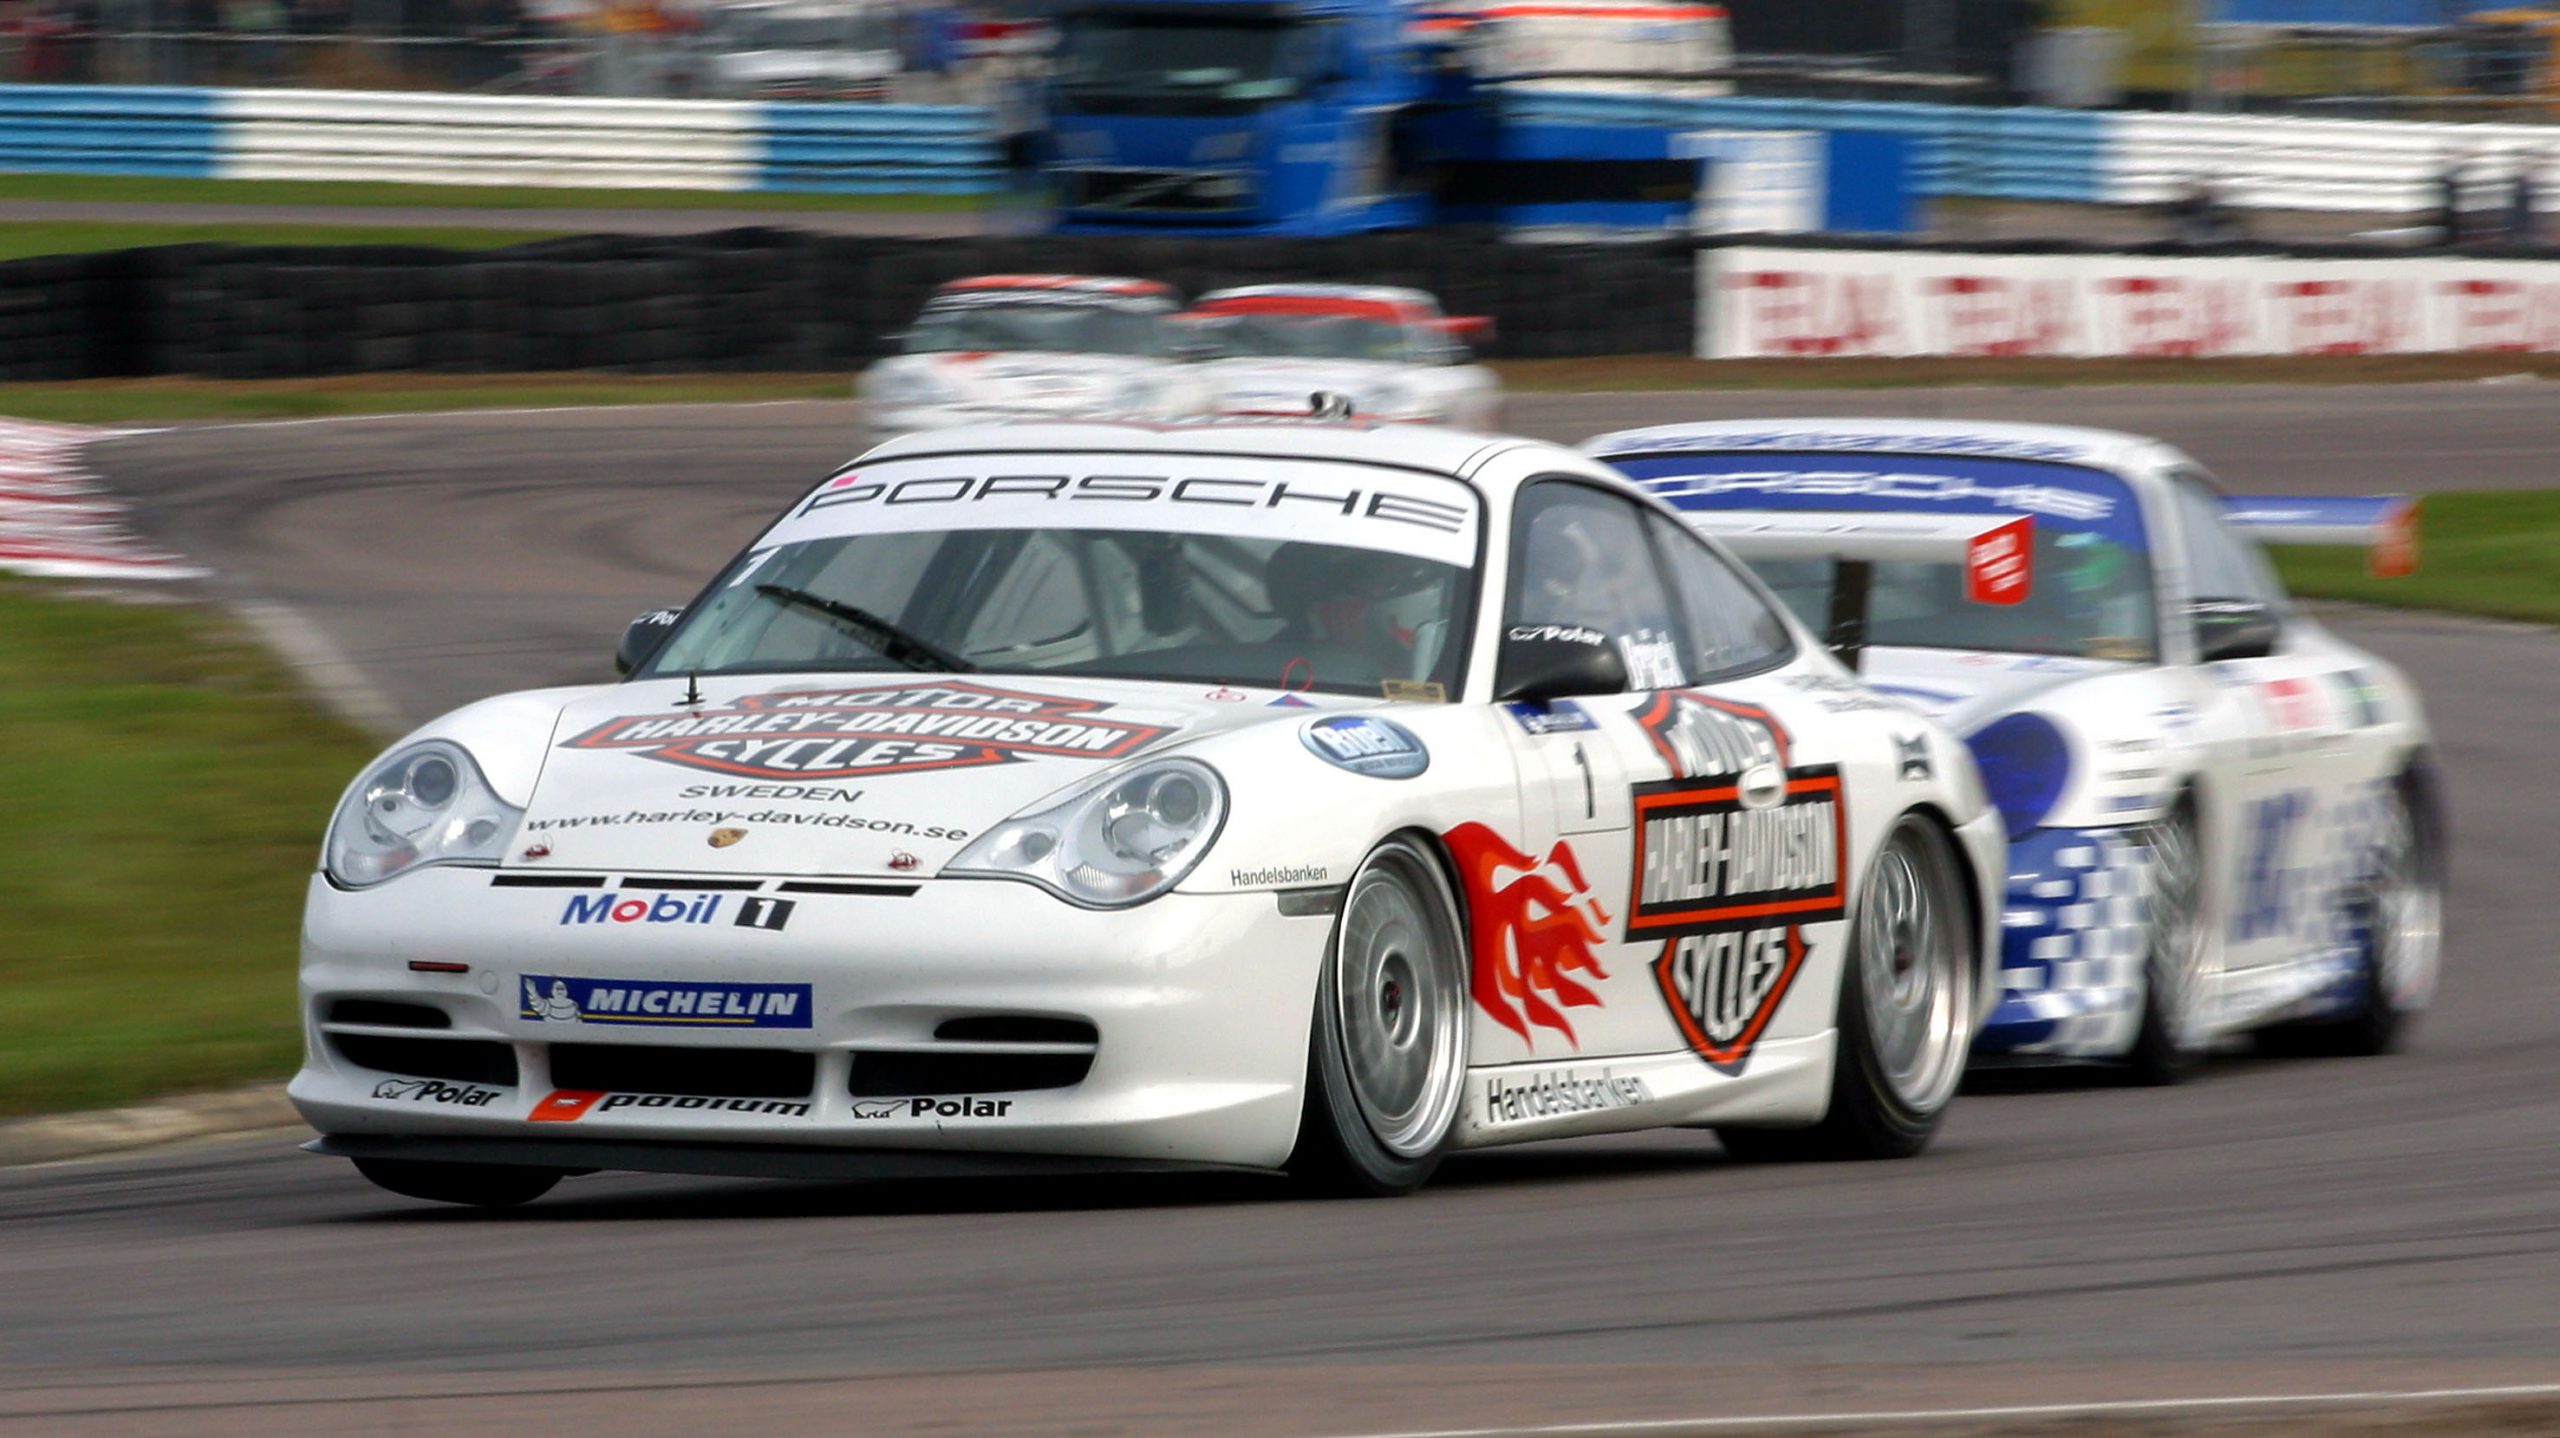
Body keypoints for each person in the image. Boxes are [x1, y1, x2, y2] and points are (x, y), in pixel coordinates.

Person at [2508, 151, 2541, 247]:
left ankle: (2521, 238)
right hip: (2521, 212)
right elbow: (2522, 197)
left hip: (2522, 211)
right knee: (2522, 223)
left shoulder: (2522, 183)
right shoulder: (2520, 184)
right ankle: (2521, 238)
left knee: (2523, 223)